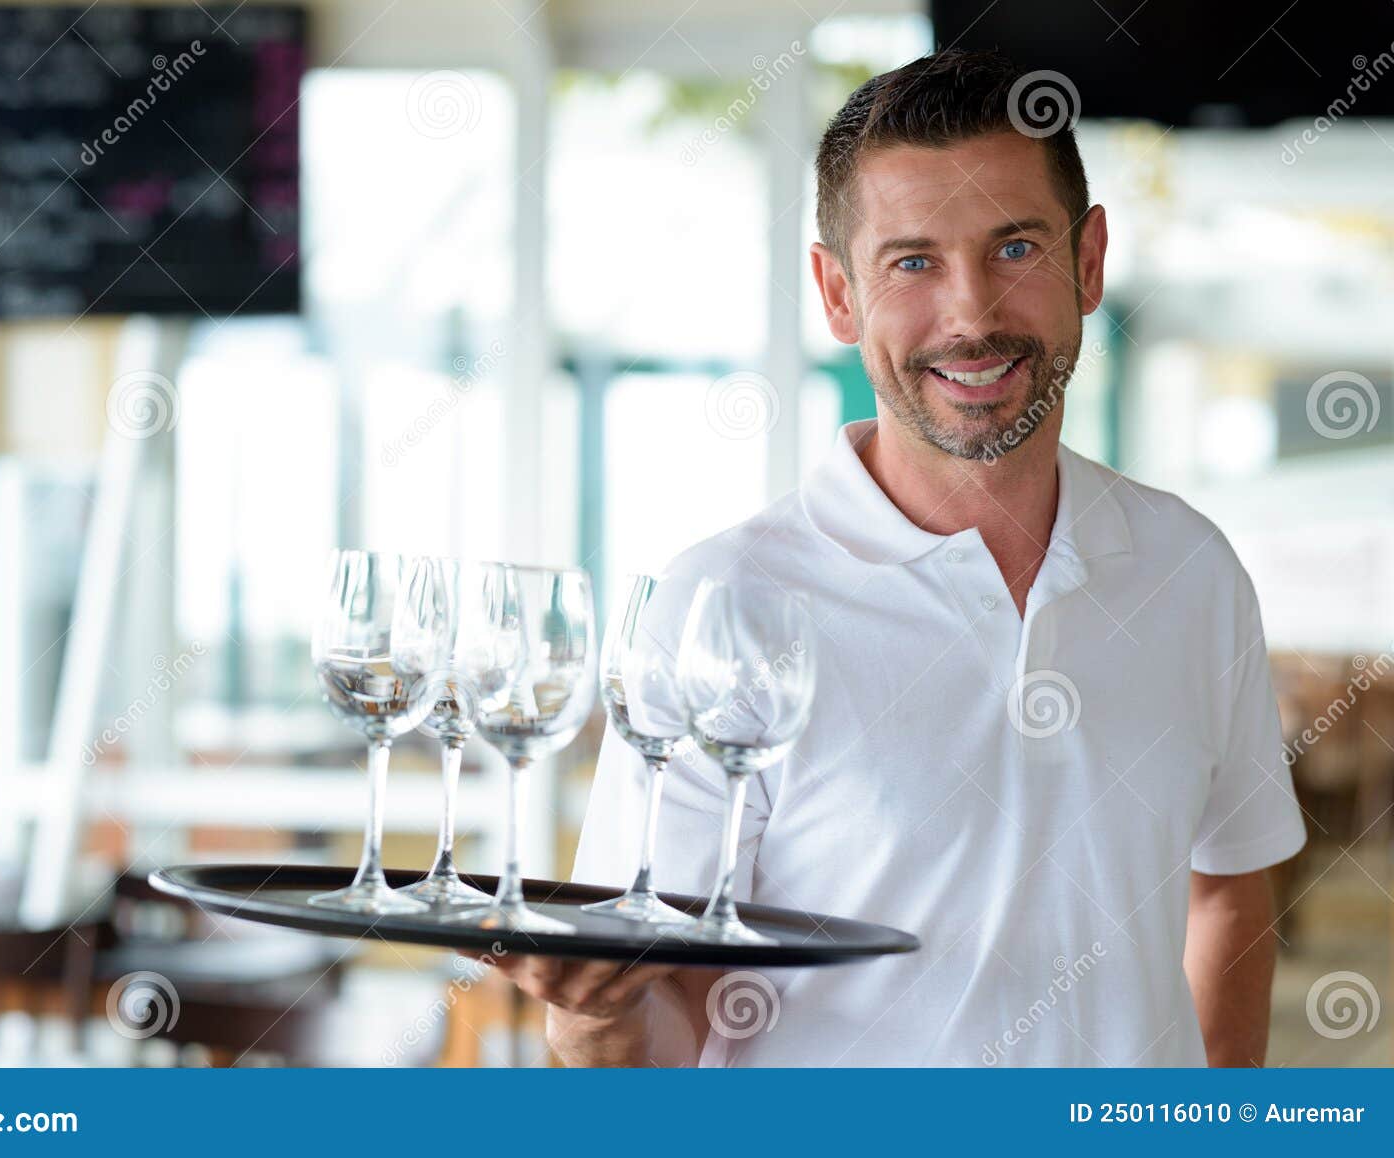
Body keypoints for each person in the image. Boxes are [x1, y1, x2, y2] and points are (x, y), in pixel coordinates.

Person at [489, 48, 1306, 1066]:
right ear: (837, 294)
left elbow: (1229, 887)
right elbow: (653, 1017)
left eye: (1015, 249)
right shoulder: (722, 604)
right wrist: (594, 1015)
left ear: (1088, 262)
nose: (970, 314)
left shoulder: (1189, 567)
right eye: (912, 262)